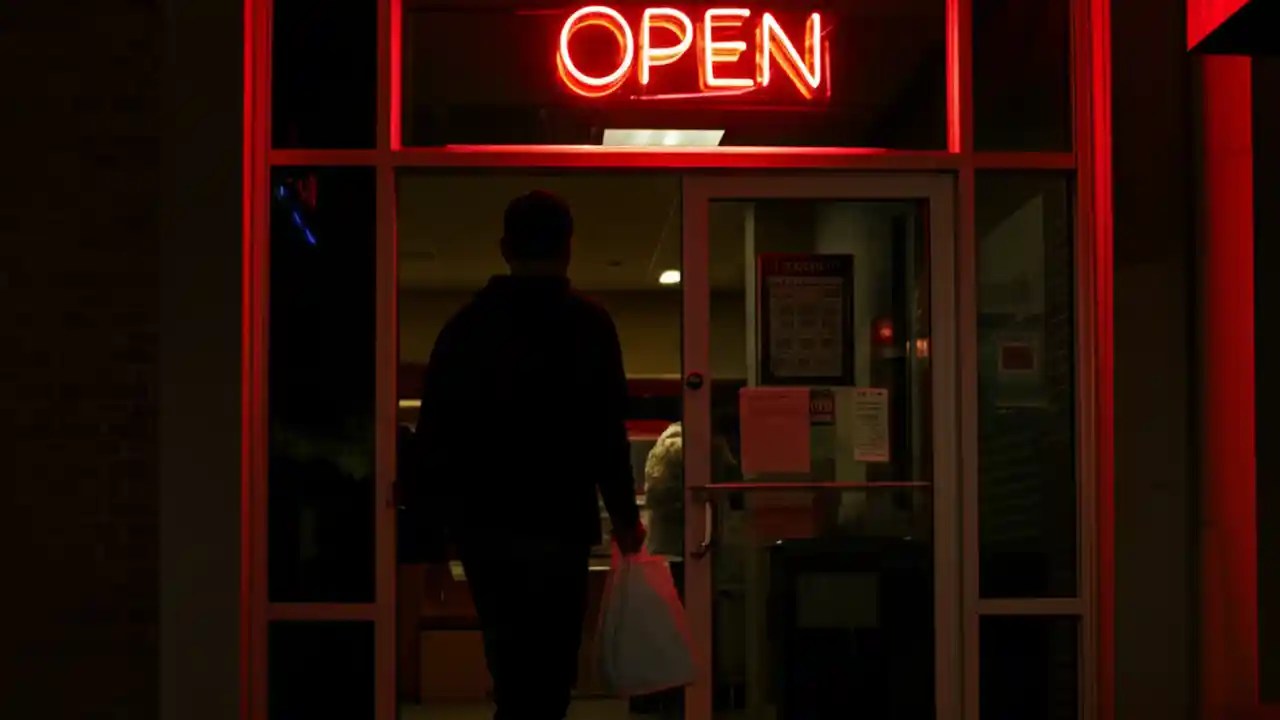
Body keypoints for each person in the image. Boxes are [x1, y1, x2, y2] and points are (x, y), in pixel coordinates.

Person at [407, 190, 646, 720]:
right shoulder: (590, 326)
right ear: (568, 248)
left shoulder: (465, 329)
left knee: (509, 663)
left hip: (485, 525)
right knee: (552, 670)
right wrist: (626, 518)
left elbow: (436, 438)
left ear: (504, 248)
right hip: (560, 521)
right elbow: (607, 433)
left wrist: (432, 540)